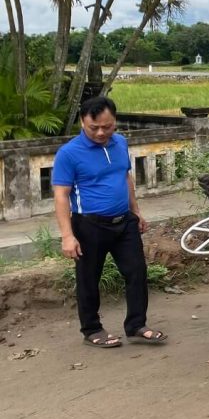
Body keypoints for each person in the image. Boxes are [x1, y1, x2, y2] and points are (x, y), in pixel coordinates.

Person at [52, 96, 167, 348]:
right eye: (95, 127)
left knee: (136, 272)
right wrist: (67, 235)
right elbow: (61, 195)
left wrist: (136, 211)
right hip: (89, 225)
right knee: (88, 278)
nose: (101, 132)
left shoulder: (120, 143)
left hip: (124, 221)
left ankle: (136, 325)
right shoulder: (69, 154)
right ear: (83, 122)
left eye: (108, 126)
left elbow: (125, 177)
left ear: (115, 122)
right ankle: (92, 329)